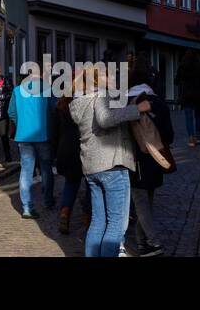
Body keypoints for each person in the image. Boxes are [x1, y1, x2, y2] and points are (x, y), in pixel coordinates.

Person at [70, 66, 150, 257]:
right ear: (97, 80)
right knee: (116, 224)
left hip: (92, 167)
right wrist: (136, 109)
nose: (113, 77)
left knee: (98, 222)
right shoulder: (101, 95)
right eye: (108, 75)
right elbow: (105, 119)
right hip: (112, 164)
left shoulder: (79, 101)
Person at [127, 57, 174, 257]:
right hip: (156, 157)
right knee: (148, 201)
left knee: (140, 202)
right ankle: (144, 243)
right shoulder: (160, 103)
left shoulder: (127, 104)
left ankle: (151, 243)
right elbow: (169, 136)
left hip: (135, 158)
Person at [10, 63, 55, 218]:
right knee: (46, 169)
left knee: (26, 170)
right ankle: (48, 200)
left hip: (23, 135)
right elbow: (54, 109)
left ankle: (27, 207)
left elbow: (11, 113)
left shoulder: (17, 90)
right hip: (42, 135)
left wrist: (21, 125)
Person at [49, 92, 90, 234]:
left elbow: (54, 132)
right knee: (91, 184)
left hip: (66, 149)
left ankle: (65, 213)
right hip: (84, 148)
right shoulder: (87, 104)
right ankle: (88, 216)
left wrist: (54, 152)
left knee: (71, 184)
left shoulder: (60, 106)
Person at [177, 50, 200, 146]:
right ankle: (198, 137)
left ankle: (191, 138)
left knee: (188, 117)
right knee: (198, 115)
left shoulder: (182, 67)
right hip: (198, 94)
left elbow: (176, 80)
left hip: (187, 94)